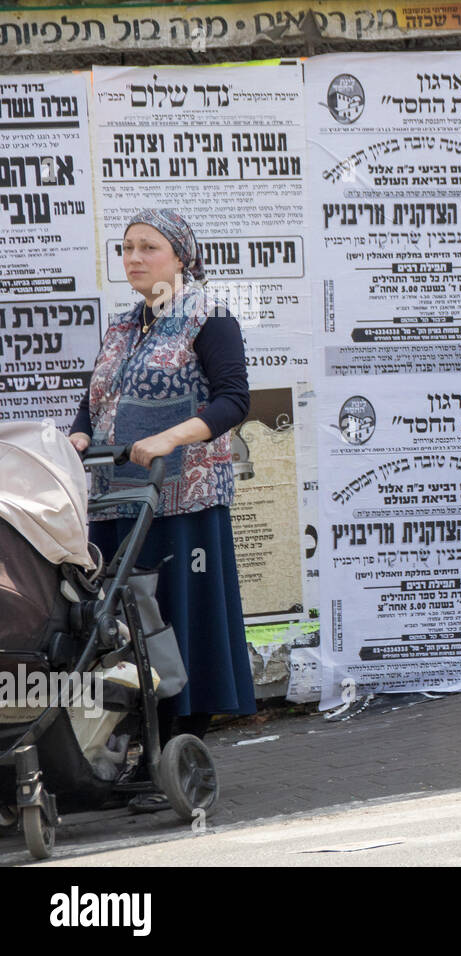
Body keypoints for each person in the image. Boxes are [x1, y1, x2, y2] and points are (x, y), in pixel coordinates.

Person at [69, 209, 256, 810]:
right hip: (117, 499)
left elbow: (234, 400)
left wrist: (172, 438)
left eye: (149, 247)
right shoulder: (124, 326)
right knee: (122, 627)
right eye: (126, 248)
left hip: (182, 502)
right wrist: (76, 437)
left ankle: (179, 747)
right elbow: (94, 401)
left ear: (181, 257)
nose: (134, 258)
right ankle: (130, 749)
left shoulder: (209, 317)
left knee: (181, 620)